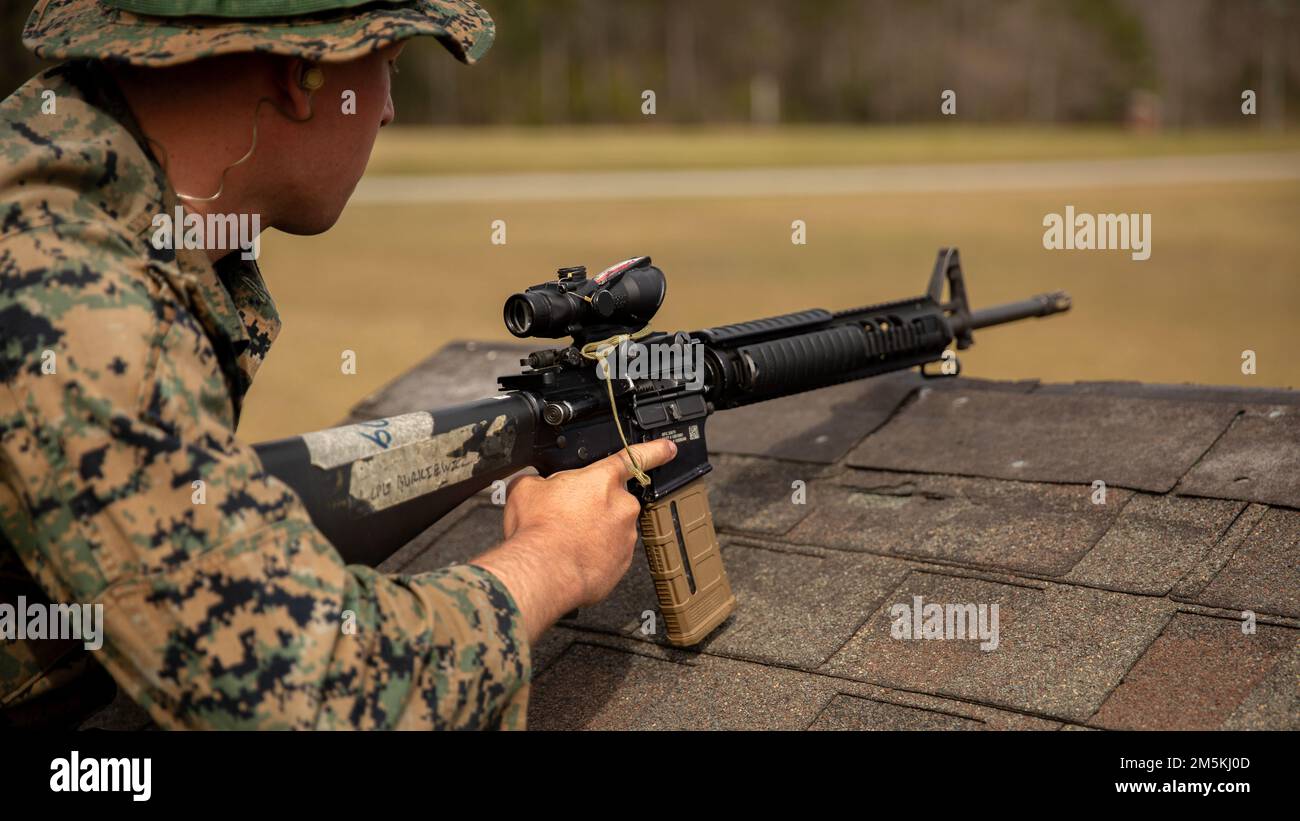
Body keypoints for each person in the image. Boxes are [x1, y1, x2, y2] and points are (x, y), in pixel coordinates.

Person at [0, 0, 677, 729]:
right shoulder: (77, 303)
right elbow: (309, 691)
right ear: (305, 75)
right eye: (386, 69)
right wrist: (552, 559)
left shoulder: (65, 191)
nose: (385, 111)